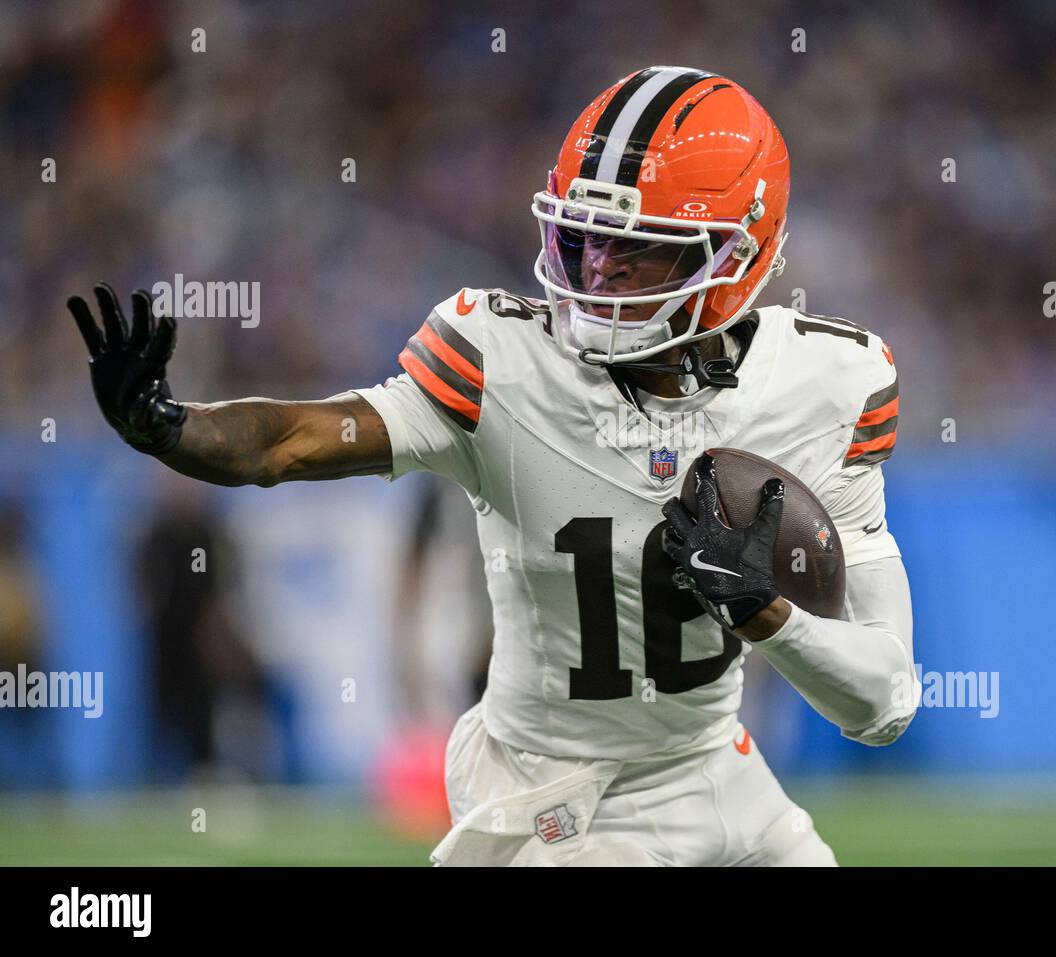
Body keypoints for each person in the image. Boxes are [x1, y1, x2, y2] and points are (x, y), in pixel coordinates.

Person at [67, 65, 918, 866]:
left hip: (714, 767)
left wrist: (769, 617)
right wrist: (168, 427)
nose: (598, 268)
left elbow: (882, 703)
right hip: (552, 794)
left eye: (639, 247)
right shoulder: (500, 362)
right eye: (585, 237)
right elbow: (291, 441)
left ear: (734, 259)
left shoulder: (824, 386)